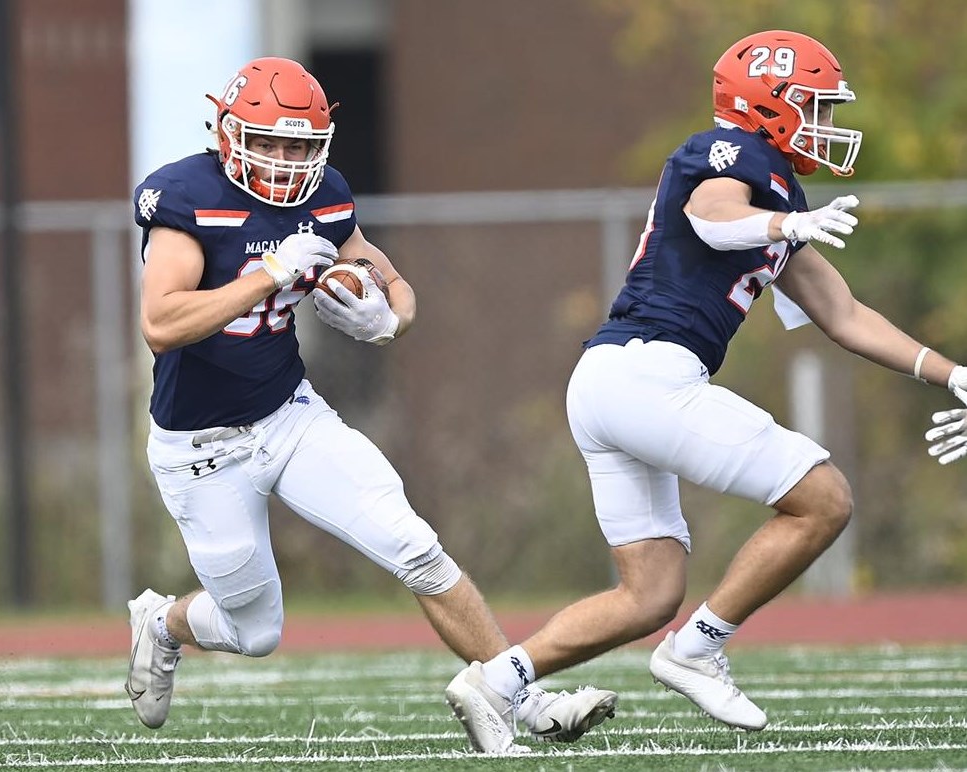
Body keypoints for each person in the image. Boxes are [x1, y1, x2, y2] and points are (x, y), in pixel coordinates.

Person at [444, 28, 967, 745]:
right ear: (768, 102)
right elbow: (711, 214)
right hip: (647, 374)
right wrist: (786, 220)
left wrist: (953, 374)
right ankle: (697, 647)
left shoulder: (776, 188)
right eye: (811, 105)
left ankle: (493, 682)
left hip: (609, 381)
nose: (823, 122)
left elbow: (843, 315)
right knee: (822, 500)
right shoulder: (736, 156)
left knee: (649, 592)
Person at [125, 57, 617, 754]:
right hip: (199, 445)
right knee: (253, 631)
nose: (285, 160)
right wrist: (267, 275)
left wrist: (384, 317)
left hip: (288, 414)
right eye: (268, 141)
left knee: (412, 543)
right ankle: (162, 623)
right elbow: (162, 322)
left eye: (299, 146)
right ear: (229, 133)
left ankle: (521, 695)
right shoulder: (183, 194)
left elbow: (390, 282)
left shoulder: (324, 195)